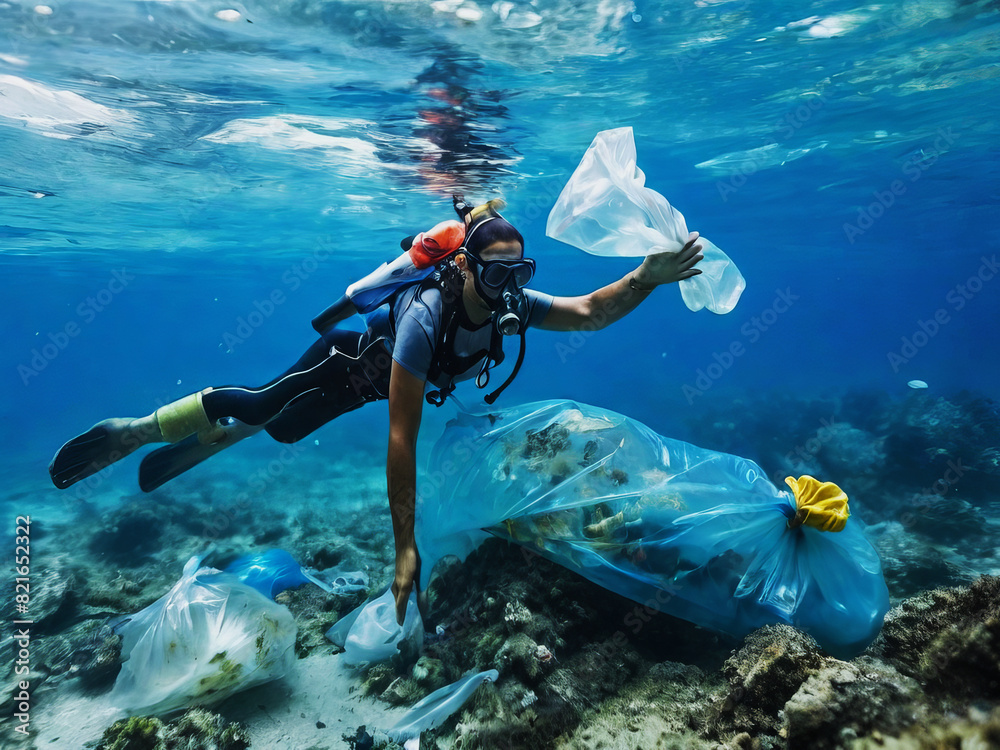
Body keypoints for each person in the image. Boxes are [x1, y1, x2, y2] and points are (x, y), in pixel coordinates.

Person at [48, 197, 704, 624]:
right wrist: (405, 548)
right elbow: (401, 436)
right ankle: (134, 430)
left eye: (522, 273)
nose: (512, 290)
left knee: (282, 433)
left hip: (370, 387)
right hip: (344, 364)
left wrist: (646, 276)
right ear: (468, 268)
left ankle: (229, 435)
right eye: (498, 274)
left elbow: (590, 313)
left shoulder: (509, 306)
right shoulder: (426, 315)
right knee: (265, 403)